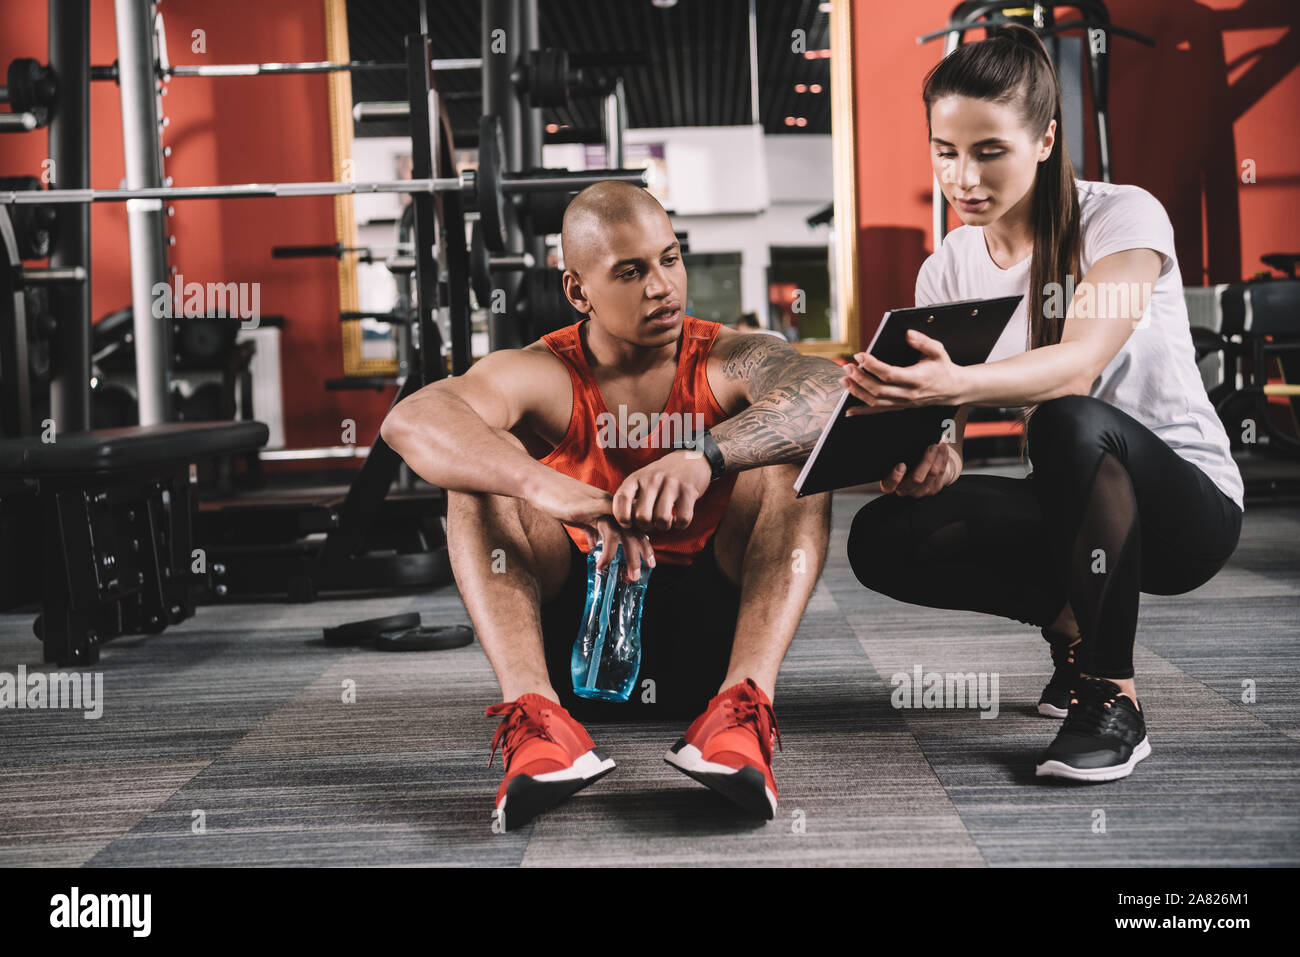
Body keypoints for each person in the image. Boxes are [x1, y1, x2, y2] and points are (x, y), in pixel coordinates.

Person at [841, 25, 1243, 783]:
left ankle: (1113, 697)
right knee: (882, 536)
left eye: (989, 150)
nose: (964, 177)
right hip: (1071, 504)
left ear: (1046, 138)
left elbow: (1079, 364)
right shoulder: (950, 267)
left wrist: (955, 384)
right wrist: (935, 452)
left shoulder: (1123, 218)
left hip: (1185, 511)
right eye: (945, 151)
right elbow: (947, 429)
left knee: (1068, 419)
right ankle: (1071, 633)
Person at [381, 181, 841, 829]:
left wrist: (702, 456)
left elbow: (825, 392)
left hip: (717, 641)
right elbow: (414, 419)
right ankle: (537, 724)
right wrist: (550, 487)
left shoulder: (729, 355)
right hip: (579, 645)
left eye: (669, 259)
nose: (662, 286)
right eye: (631, 271)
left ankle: (741, 714)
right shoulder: (547, 371)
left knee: (796, 450)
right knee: (477, 471)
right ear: (577, 290)